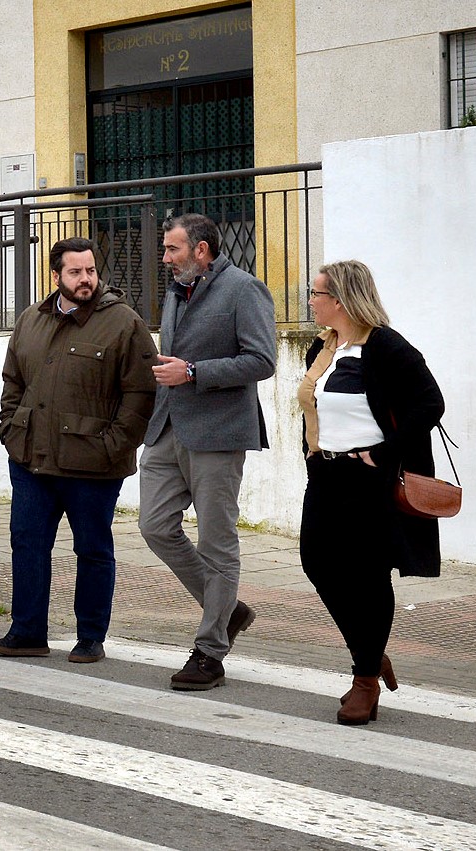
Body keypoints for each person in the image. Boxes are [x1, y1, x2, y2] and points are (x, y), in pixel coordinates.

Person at [0, 237, 157, 664]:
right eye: (75, 272)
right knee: (27, 543)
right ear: (55, 275)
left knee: (93, 549)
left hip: (93, 465)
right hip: (31, 460)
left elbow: (141, 395)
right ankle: (27, 632)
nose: (85, 280)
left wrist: (113, 446)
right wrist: (12, 429)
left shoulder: (123, 323)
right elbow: (13, 382)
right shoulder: (31, 319)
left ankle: (90, 637)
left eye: (91, 271)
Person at [298, 260, 445, 725]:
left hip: (369, 481)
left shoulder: (385, 347)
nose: (310, 300)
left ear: (339, 300)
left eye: (316, 293)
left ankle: (364, 680)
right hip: (325, 474)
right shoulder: (321, 348)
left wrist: (385, 452)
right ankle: (370, 650)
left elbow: (430, 403)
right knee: (316, 561)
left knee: (365, 575)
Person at [139, 212, 276, 690]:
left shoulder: (243, 289)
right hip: (168, 428)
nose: (165, 257)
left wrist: (193, 372)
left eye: (172, 248)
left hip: (218, 433)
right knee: (154, 526)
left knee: (217, 542)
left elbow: (262, 360)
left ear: (201, 249)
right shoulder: (178, 290)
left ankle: (210, 651)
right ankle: (228, 609)